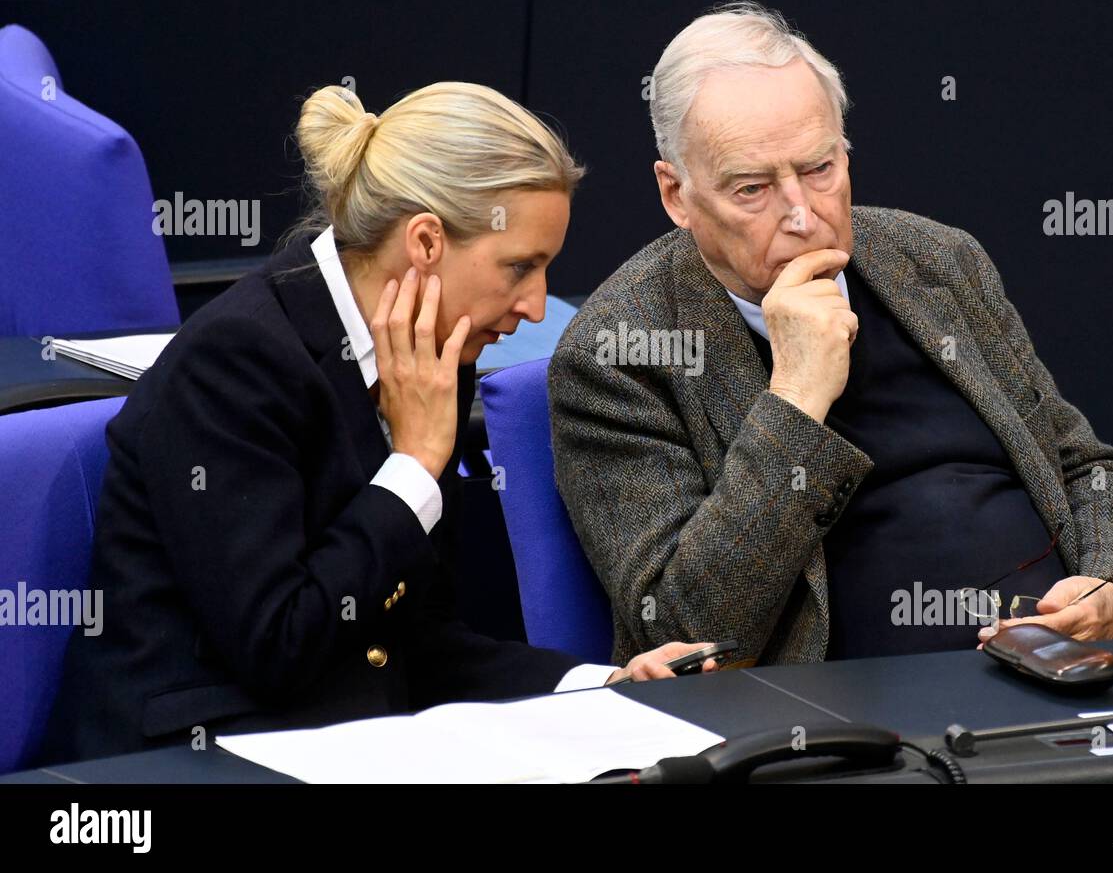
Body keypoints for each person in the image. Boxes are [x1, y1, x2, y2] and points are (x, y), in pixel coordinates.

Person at [41, 81, 714, 764]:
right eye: (520, 267)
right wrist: (415, 467)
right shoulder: (235, 362)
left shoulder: (433, 355)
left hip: (347, 738)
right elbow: (277, 645)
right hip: (186, 758)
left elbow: (415, 640)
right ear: (424, 240)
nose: (537, 306)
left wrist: (602, 687)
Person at [549, 1, 1113, 667]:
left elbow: (1088, 470)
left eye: (819, 170)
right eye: (752, 188)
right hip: (842, 723)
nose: (802, 216)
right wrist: (796, 401)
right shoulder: (619, 351)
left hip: (1056, 664)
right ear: (676, 195)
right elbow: (681, 626)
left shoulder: (936, 259)